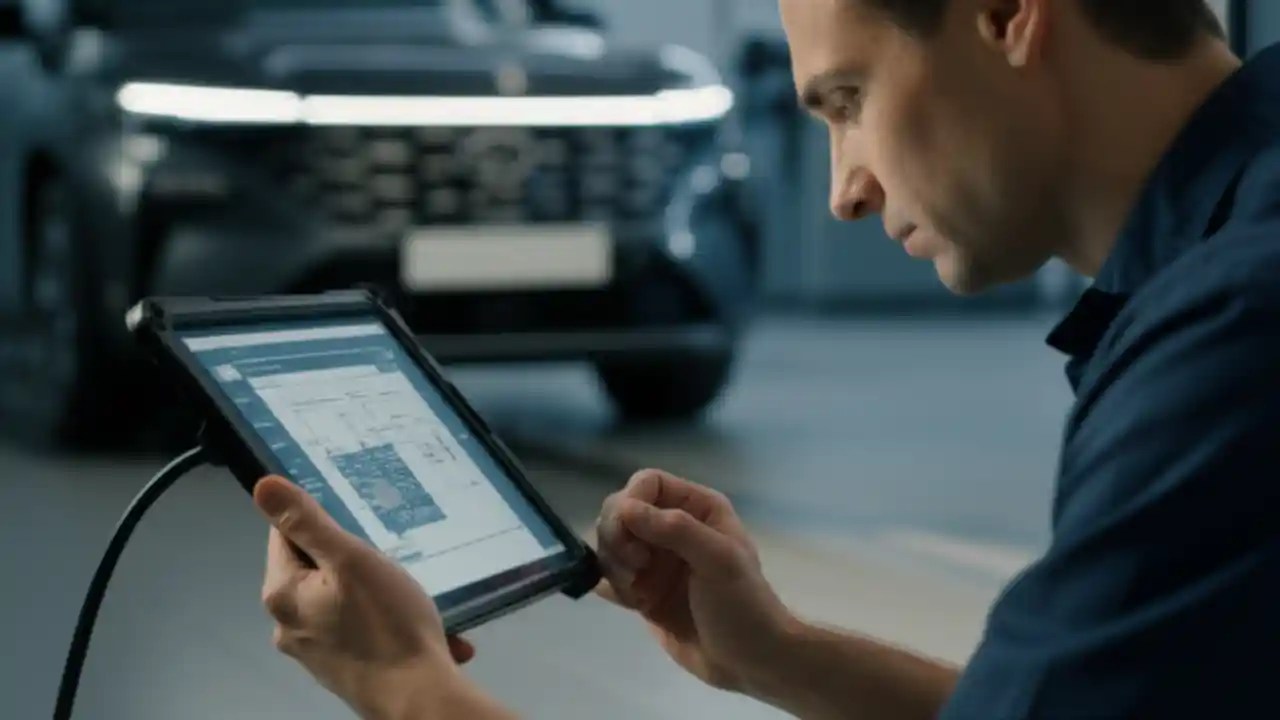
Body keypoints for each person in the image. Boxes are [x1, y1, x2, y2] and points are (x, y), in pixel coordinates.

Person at [249, 0, 1280, 717]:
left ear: (1007, 12)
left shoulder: (1231, 332)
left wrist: (400, 684)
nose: (845, 190)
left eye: (845, 101)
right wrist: (779, 657)